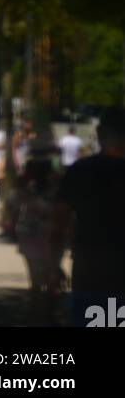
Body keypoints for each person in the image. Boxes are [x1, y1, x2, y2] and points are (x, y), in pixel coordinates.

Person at [52, 106, 125, 327]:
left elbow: (59, 220)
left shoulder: (81, 171)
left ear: (100, 134)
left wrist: (54, 263)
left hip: (89, 266)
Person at [4, 155, 64, 325]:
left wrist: (11, 227)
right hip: (53, 235)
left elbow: (11, 208)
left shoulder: (22, 188)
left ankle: (35, 313)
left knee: (35, 277)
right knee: (52, 273)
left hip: (30, 235)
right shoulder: (57, 189)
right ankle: (49, 313)